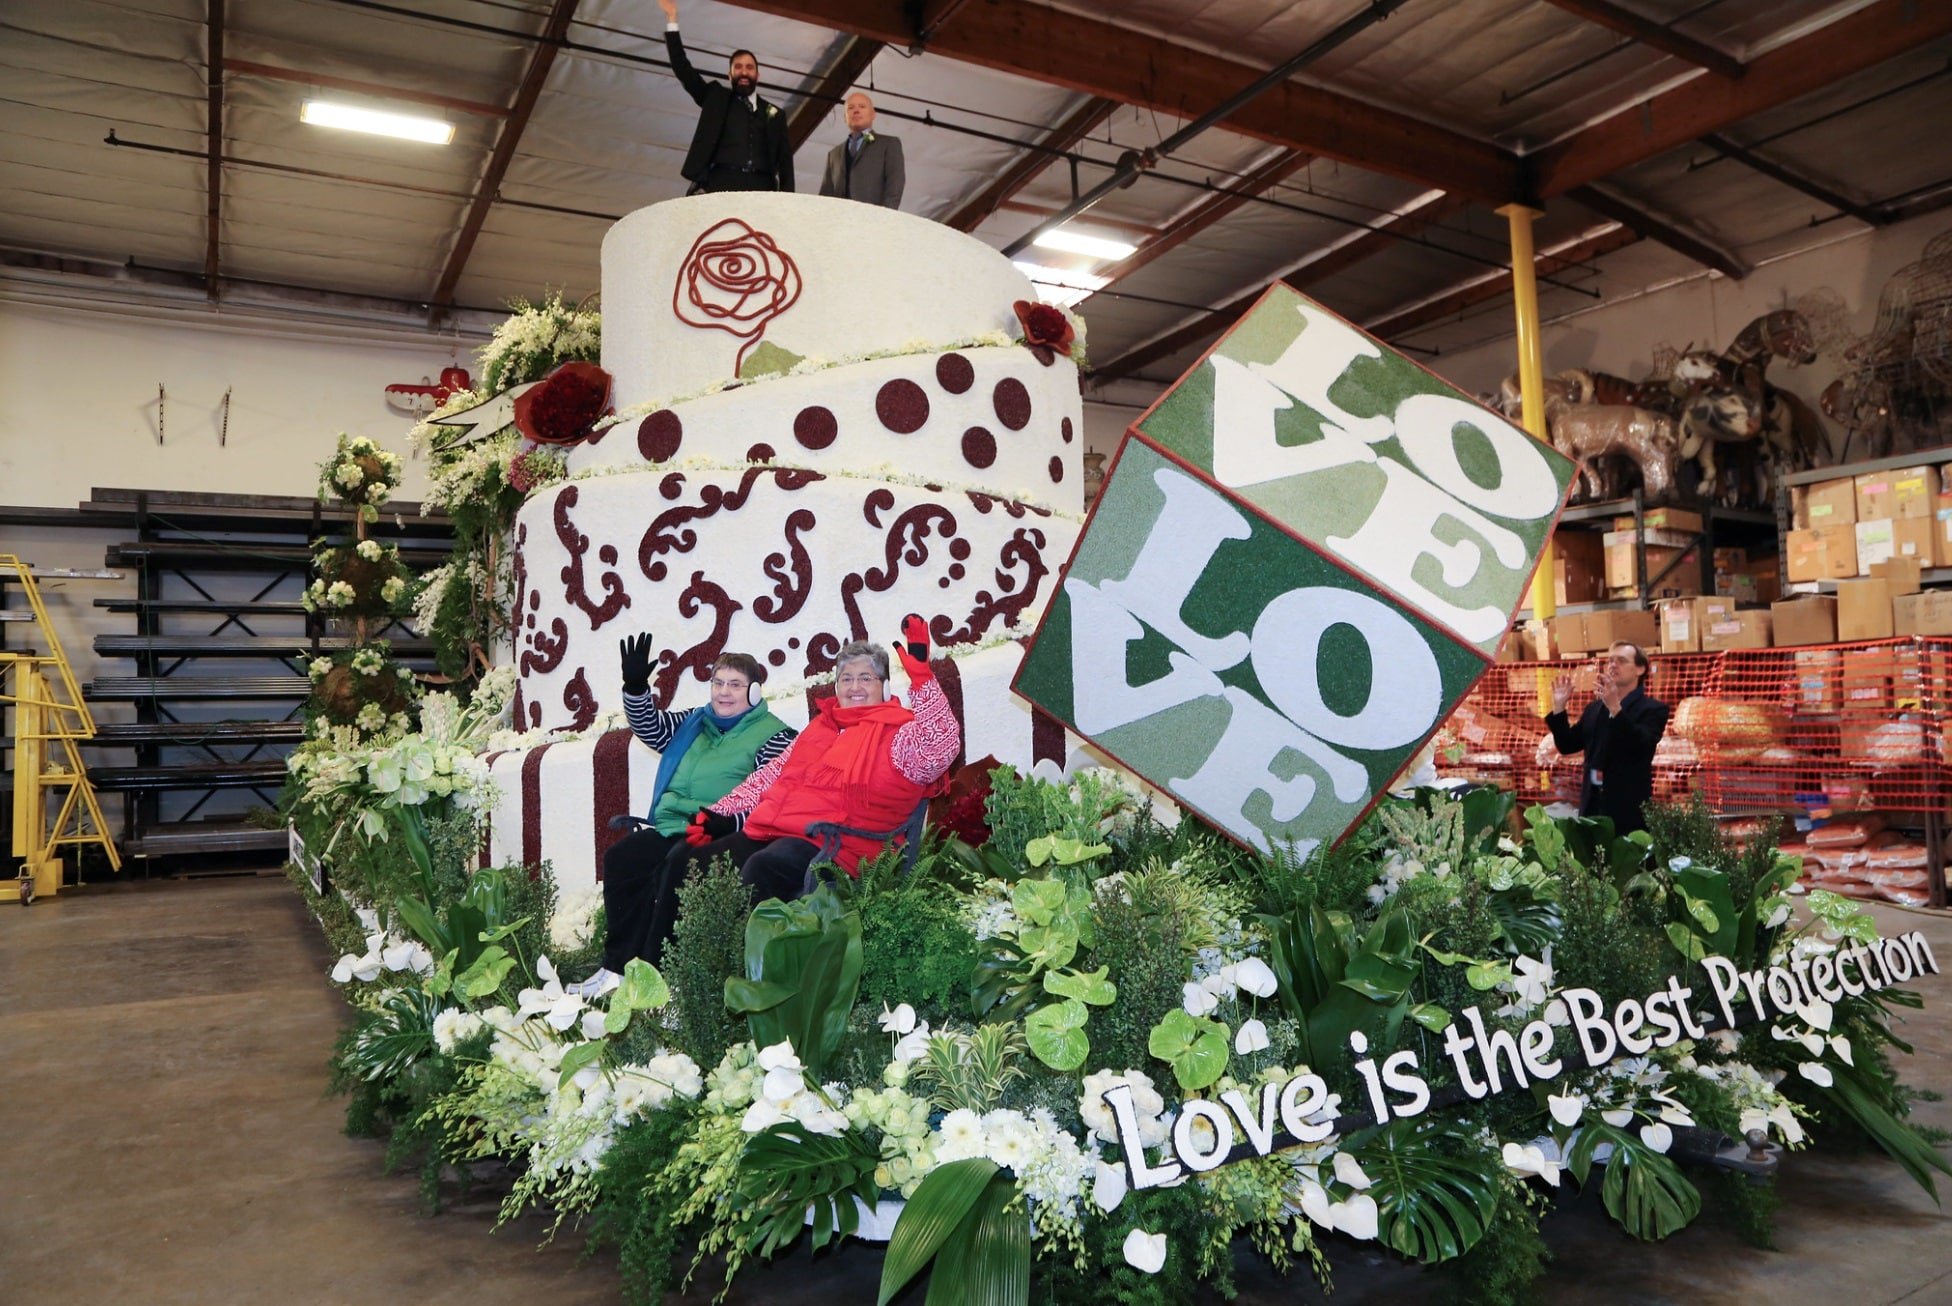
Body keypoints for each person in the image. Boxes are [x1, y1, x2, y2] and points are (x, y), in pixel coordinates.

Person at [568, 638, 795, 998]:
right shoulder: (695, 723)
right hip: (673, 825)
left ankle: (660, 977)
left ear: (754, 692)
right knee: (623, 858)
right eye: (718, 683)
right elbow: (650, 727)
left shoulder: (774, 736)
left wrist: (726, 820)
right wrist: (637, 688)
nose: (723, 693)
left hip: (719, 832)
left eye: (735, 685)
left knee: (675, 868)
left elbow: (771, 795)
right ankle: (617, 969)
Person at [678, 615, 959, 901]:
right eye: (846, 679)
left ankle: (740, 947)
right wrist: (718, 814)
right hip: (782, 830)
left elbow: (941, 748)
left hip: (841, 846)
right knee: (697, 861)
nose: (854, 687)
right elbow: (767, 780)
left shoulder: (900, 734)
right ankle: (670, 947)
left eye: (866, 678)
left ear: (885, 687)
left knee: (762, 868)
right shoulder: (822, 728)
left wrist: (922, 679)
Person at [659, 0, 793, 194]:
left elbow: (785, 163)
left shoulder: (776, 114)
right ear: (729, 76)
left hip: (762, 190)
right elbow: (682, 68)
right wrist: (672, 20)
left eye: (749, 67)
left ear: (758, 75)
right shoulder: (715, 98)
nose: (744, 72)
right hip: (720, 184)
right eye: (738, 67)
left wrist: (788, 203)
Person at [1544, 641, 1670, 835]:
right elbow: (1567, 745)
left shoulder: (1653, 709)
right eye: (1610, 661)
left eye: (1621, 661)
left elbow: (1642, 745)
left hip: (1627, 808)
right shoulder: (1594, 709)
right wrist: (1559, 708)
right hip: (1592, 804)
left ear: (1640, 669)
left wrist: (1615, 709)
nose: (1613, 665)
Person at [818, 91, 905, 209]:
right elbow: (825, 195)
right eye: (850, 108)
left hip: (873, 220)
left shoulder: (888, 144)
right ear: (845, 117)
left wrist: (886, 217)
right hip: (840, 222)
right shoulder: (833, 155)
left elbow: (895, 184)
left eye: (862, 106)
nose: (856, 110)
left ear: (873, 114)